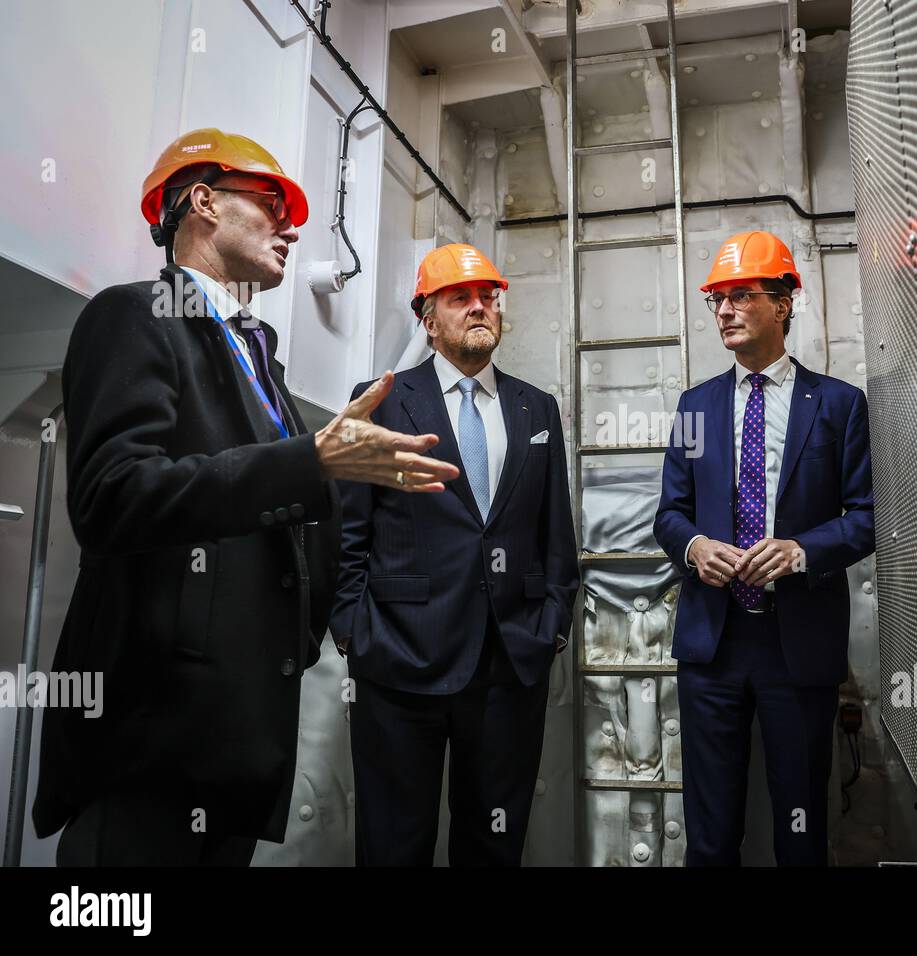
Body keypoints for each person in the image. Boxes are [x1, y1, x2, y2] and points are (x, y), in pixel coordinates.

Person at [33, 127, 459, 866]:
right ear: (201, 201)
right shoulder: (134, 315)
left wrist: (300, 633)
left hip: (236, 748)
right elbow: (111, 497)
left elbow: (287, 517)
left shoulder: (260, 356)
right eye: (268, 202)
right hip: (153, 743)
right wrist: (308, 460)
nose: (291, 226)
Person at [331, 243, 579, 866]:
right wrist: (354, 632)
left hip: (508, 663)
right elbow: (347, 531)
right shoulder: (382, 400)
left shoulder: (536, 408)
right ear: (428, 317)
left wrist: (550, 625)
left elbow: (556, 538)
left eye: (487, 297)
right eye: (459, 297)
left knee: (493, 845)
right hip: (399, 662)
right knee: (394, 844)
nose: (479, 308)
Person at [653, 230, 875, 866]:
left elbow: (866, 519)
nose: (723, 309)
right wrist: (695, 547)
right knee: (712, 830)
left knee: (801, 828)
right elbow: (669, 514)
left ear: (783, 303)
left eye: (740, 295)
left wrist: (800, 551)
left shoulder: (837, 406)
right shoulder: (696, 409)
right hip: (713, 644)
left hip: (796, 642)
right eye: (716, 299)